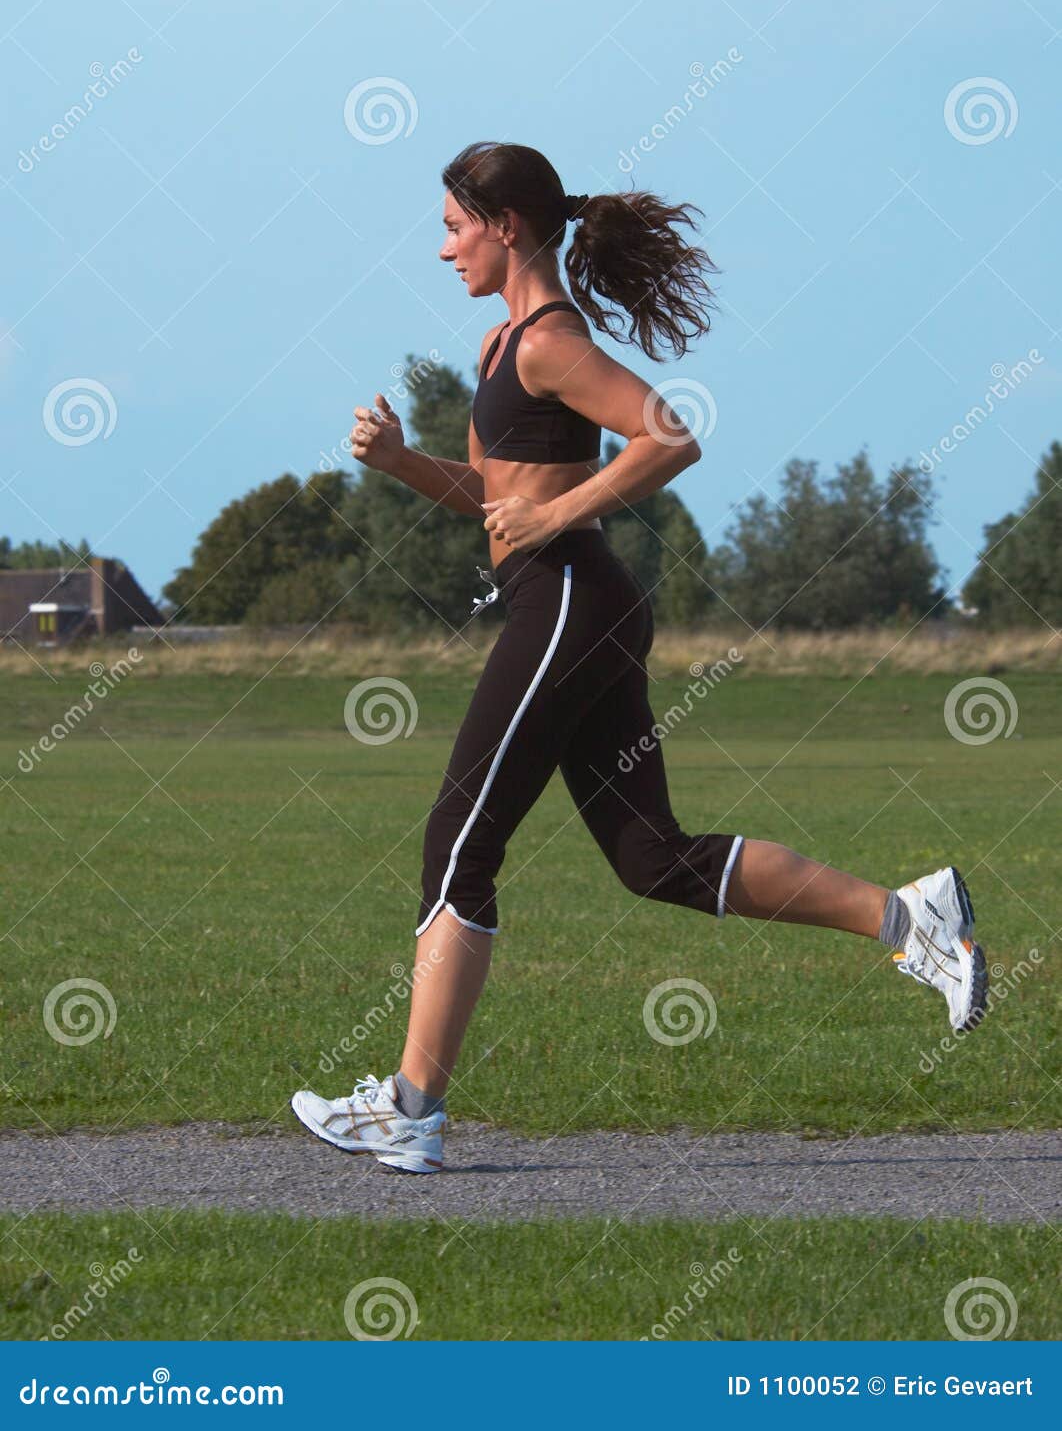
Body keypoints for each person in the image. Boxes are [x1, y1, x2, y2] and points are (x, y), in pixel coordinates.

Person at [291, 141, 987, 1174]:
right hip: (572, 600)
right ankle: (911, 917)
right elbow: (494, 501)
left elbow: (668, 436)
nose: (442, 250)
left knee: (459, 840)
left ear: (506, 225)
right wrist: (400, 465)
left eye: (451, 226)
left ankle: (410, 1107)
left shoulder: (548, 342)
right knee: (649, 856)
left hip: (568, 601)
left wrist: (560, 512)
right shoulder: (498, 348)